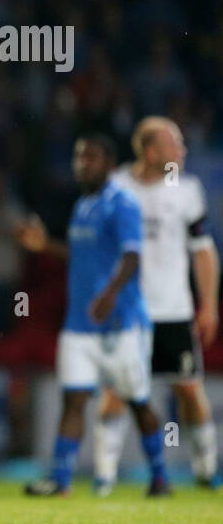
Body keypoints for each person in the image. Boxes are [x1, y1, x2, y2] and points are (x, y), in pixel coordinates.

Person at [16, 134, 171, 496]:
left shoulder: (123, 203)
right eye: (79, 157)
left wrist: (111, 293)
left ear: (109, 163)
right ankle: (61, 480)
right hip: (79, 324)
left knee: (137, 401)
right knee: (74, 399)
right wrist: (44, 246)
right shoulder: (82, 206)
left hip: (121, 321)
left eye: (93, 158)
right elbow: (80, 254)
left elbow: (132, 256)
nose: (83, 164)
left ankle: (160, 477)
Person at [95, 117, 219, 491]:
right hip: (128, 312)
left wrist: (209, 305)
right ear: (151, 152)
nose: (181, 152)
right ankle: (104, 475)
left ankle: (206, 469)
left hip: (174, 312)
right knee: (115, 392)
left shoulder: (185, 189)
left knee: (187, 389)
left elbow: (203, 252)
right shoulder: (115, 187)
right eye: (174, 145)